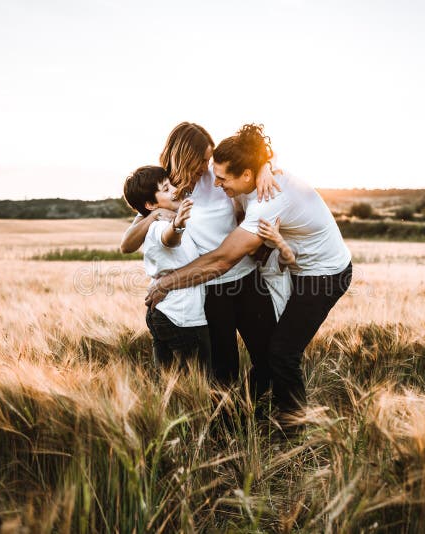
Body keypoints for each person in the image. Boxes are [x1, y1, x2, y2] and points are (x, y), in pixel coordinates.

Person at [145, 124, 353, 429]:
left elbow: (223, 259)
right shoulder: (198, 181)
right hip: (244, 280)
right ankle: (240, 422)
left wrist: (167, 282)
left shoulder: (267, 197)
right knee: (235, 366)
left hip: (322, 273)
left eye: (220, 176)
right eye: (208, 167)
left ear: (246, 174)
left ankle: (292, 431)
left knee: (280, 353)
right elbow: (144, 213)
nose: (214, 180)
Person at [120, 122, 281, 389]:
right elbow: (127, 244)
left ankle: (259, 418)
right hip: (210, 289)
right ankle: (228, 429)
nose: (207, 165)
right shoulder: (165, 188)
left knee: (270, 357)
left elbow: (254, 152)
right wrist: (156, 216)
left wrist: (264, 167)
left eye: (209, 158)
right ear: (186, 156)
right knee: (223, 372)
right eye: (203, 159)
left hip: (248, 279)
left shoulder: (216, 175)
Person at [122, 165, 210, 372]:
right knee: (197, 378)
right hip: (182, 317)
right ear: (151, 204)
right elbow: (168, 240)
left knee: (167, 381)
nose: (173, 190)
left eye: (171, 184)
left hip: (163, 313)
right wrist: (178, 226)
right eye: (165, 189)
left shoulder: (158, 217)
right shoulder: (159, 225)